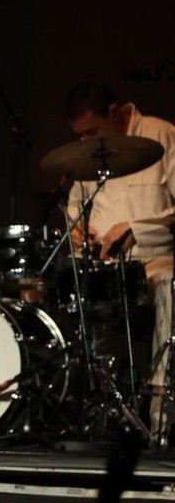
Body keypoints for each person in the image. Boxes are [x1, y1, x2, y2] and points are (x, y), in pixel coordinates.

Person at [63, 82, 175, 444]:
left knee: (169, 284)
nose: (86, 142)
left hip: (157, 259)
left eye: (91, 132)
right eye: (79, 136)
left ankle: (161, 411)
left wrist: (137, 228)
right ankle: (96, 409)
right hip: (107, 268)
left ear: (115, 113)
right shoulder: (89, 156)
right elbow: (75, 209)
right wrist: (76, 229)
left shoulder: (162, 135)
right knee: (77, 291)